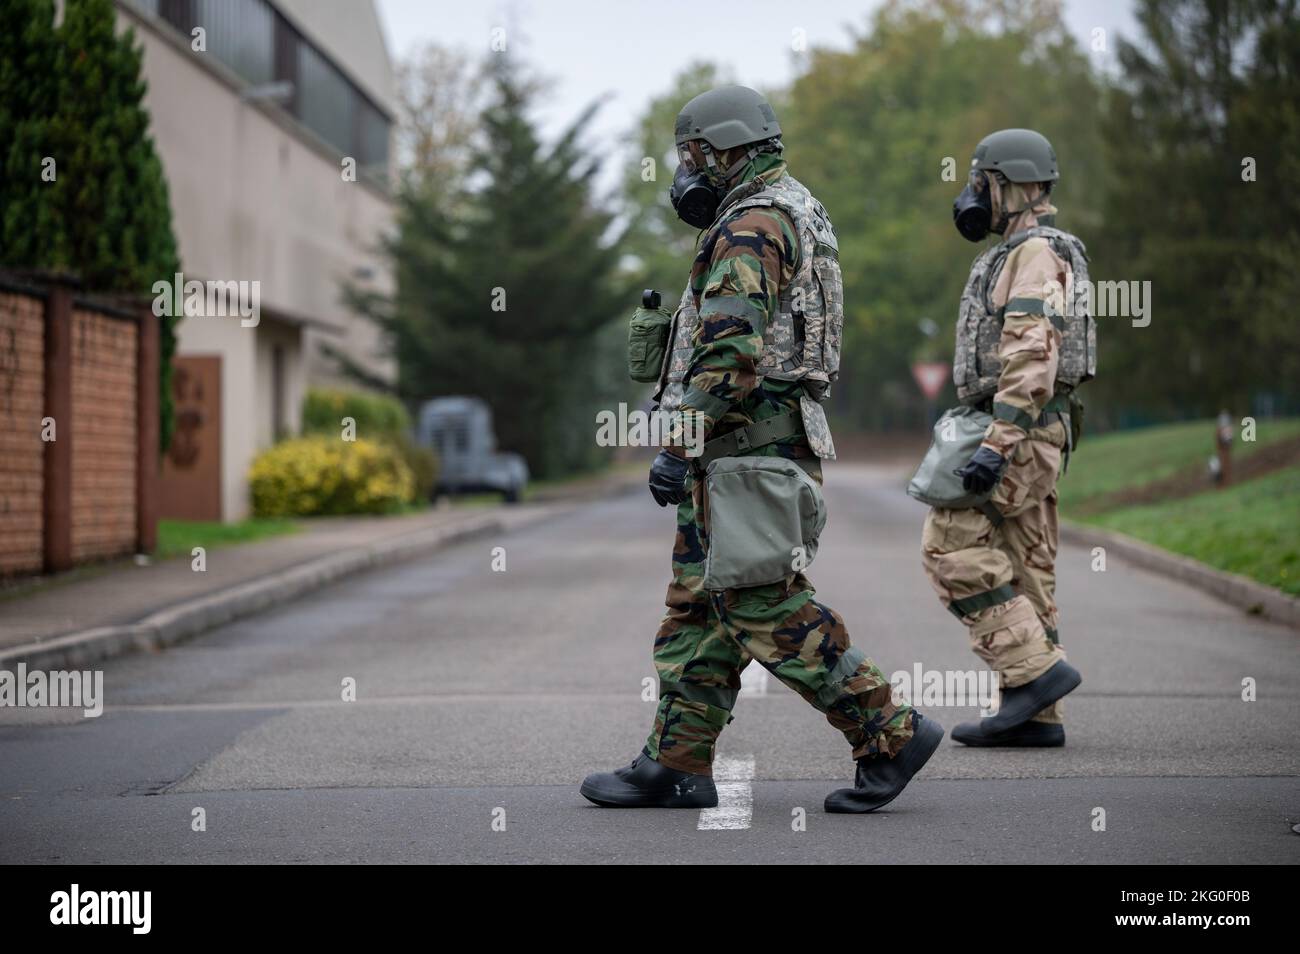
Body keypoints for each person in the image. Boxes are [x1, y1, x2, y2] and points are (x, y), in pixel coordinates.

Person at [580, 86, 943, 813]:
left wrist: (680, 444)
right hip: (740, 449)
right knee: (698, 609)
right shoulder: (779, 208)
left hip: (749, 446)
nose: (685, 172)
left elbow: (730, 351)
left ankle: (888, 731)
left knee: (761, 602)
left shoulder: (753, 222)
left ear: (723, 150)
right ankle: (676, 763)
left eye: (691, 157)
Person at [925, 128, 1091, 746]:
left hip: (1020, 428)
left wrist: (997, 443)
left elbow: (1031, 350)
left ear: (1009, 186)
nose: (974, 197)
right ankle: (1036, 717)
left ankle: (1037, 675)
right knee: (1028, 566)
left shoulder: (1034, 255)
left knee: (949, 547)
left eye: (982, 183)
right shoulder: (1028, 250)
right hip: (1041, 428)